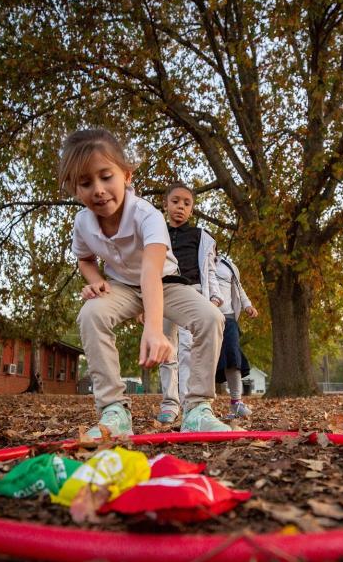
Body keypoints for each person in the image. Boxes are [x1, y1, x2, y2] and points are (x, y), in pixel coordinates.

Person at [59, 129, 231, 436]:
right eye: (86, 183)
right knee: (91, 313)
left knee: (211, 318)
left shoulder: (146, 215)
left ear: (126, 175)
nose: (98, 190)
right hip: (121, 287)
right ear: (75, 189)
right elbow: (84, 259)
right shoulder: (83, 223)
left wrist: (153, 329)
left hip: (165, 283)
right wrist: (96, 280)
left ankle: (197, 408)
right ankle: (113, 410)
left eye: (105, 177)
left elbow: (152, 273)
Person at [156, 183, 223, 424]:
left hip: (190, 293)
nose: (180, 207)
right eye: (175, 201)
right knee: (165, 350)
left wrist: (213, 296)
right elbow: (146, 266)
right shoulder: (156, 233)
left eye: (186, 203)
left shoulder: (199, 236)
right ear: (165, 204)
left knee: (186, 350)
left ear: (191, 210)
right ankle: (169, 403)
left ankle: (189, 404)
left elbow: (210, 269)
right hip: (161, 293)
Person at [213, 253, 259, 418]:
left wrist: (247, 305)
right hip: (206, 318)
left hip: (229, 317)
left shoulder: (227, 265)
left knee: (233, 356)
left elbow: (238, 287)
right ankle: (201, 405)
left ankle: (236, 403)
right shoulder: (198, 263)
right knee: (206, 360)